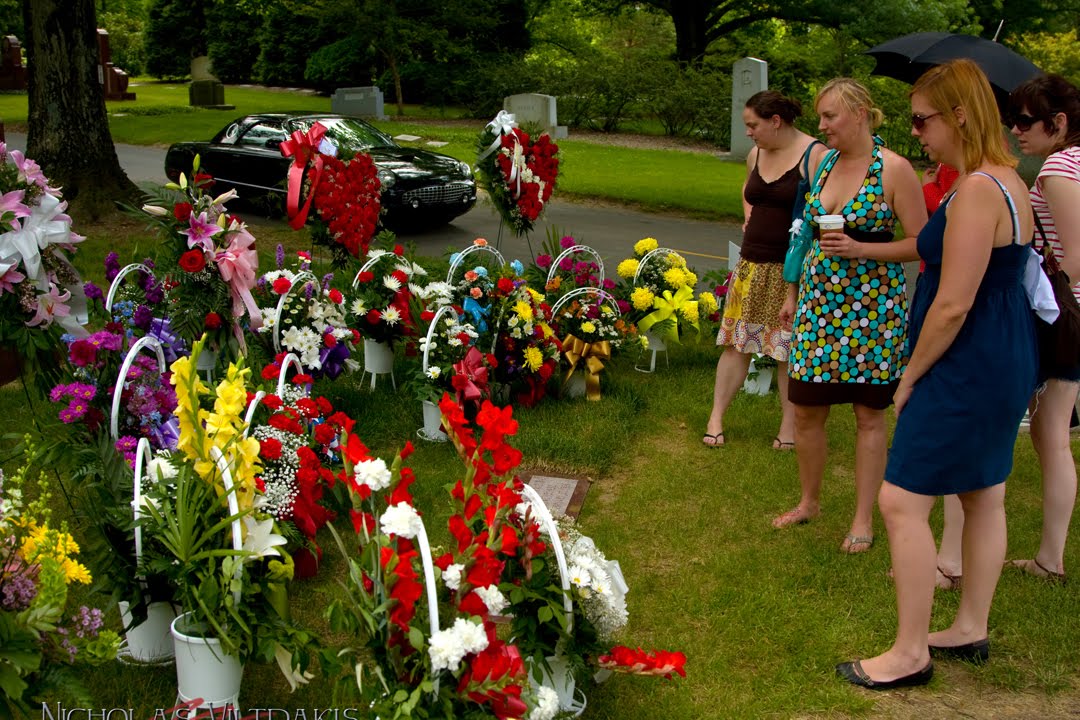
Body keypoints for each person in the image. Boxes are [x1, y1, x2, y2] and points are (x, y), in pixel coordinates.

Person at [834, 59, 1038, 689]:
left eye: (923, 119)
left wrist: (909, 376)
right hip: (1002, 353)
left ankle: (910, 651)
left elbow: (953, 302)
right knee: (982, 493)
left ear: (960, 115)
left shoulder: (979, 189)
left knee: (900, 500)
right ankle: (970, 624)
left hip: (968, 359)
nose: (916, 131)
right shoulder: (1004, 179)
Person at [774, 78, 926, 554]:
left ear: (860, 114)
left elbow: (924, 244)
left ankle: (863, 519)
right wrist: (792, 291)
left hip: (872, 312)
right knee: (806, 409)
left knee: (868, 415)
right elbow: (804, 234)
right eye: (820, 117)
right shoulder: (825, 163)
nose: (821, 126)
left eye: (830, 117)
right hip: (820, 306)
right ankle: (809, 502)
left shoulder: (894, 170)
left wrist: (862, 248)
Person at [703, 90, 827, 449]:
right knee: (735, 343)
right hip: (751, 265)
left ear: (776, 121)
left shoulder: (815, 156)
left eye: (753, 125)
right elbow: (749, 189)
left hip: (791, 270)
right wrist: (748, 218)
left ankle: (788, 429)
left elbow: (822, 208)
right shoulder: (756, 154)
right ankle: (716, 418)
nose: (749, 133)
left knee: (786, 349)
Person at [1005, 74, 1080, 582]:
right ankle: (1049, 557)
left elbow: (1074, 257)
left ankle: (1051, 559)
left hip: (1064, 314)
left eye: (1026, 121)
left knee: (1051, 434)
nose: (1016, 131)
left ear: (1059, 122)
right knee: (1051, 434)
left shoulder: (1060, 165)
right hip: (1068, 313)